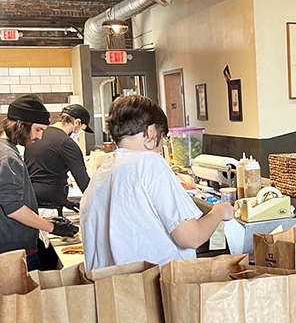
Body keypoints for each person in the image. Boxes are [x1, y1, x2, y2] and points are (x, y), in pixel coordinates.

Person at [80, 94, 234, 271]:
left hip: (112, 285)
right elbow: (191, 236)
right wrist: (218, 212)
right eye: (162, 138)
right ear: (151, 132)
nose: (160, 148)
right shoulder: (149, 162)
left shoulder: (102, 171)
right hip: (153, 284)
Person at [0, 94, 79, 270]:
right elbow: (12, 208)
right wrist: (51, 227)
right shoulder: (8, 157)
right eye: (38, 130)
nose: (40, 137)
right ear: (21, 124)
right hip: (13, 251)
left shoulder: (6, 150)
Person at [24, 103, 92, 210]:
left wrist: (66, 202)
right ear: (77, 122)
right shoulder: (66, 143)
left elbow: (42, 172)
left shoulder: (37, 134)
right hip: (50, 205)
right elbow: (83, 182)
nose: (79, 132)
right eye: (81, 129)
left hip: (30, 199)